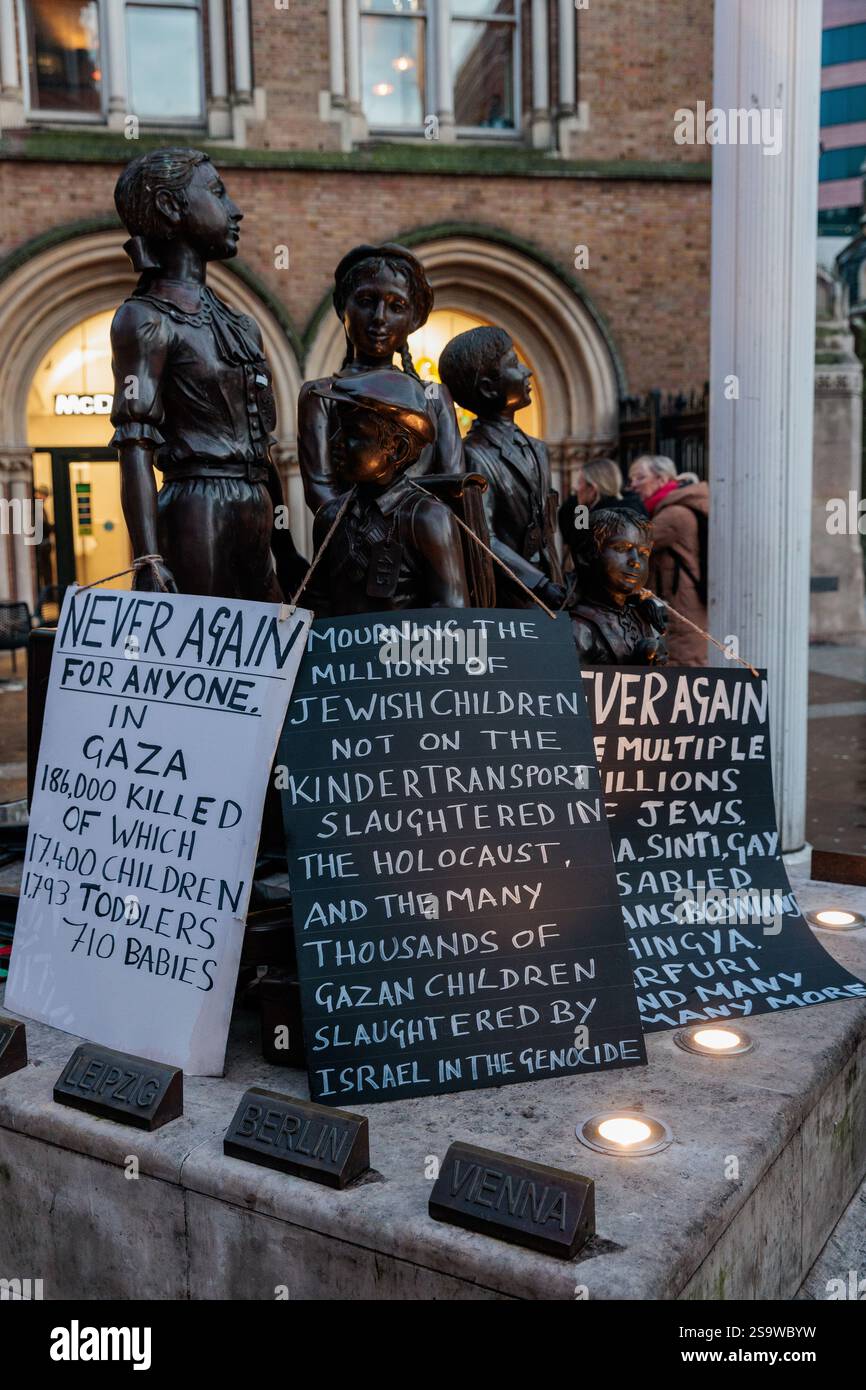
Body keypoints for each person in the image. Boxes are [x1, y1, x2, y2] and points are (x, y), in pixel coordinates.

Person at [110, 147, 305, 600]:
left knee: (274, 649)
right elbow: (134, 441)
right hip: (197, 508)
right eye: (217, 193)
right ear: (170, 207)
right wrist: (147, 558)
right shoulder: (145, 319)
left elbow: (262, 447)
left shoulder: (242, 325)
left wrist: (283, 544)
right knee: (208, 658)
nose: (235, 210)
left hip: (253, 505)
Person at [298, 243, 463, 515]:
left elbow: (450, 483)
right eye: (365, 302)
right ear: (343, 309)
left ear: (414, 319)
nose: (379, 318)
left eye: (396, 306)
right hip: (348, 541)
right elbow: (320, 490)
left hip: (420, 540)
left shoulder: (433, 397)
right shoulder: (321, 395)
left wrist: (417, 529)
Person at [309, 369, 470, 616]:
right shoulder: (329, 517)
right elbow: (317, 607)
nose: (335, 441)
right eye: (339, 428)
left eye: (353, 433)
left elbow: (451, 615)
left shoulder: (428, 519)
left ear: (398, 449)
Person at [437, 325, 565, 611]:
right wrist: (537, 582)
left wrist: (580, 525)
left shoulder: (538, 448)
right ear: (488, 387)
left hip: (552, 590)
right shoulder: (475, 456)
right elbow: (483, 537)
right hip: (513, 598)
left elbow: (553, 521)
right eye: (514, 363)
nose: (527, 371)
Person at [628, 454, 709, 665]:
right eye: (632, 479)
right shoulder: (672, 506)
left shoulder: (673, 513)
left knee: (685, 660)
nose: (633, 485)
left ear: (662, 479)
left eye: (640, 478)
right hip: (684, 596)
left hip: (684, 599)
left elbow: (637, 544)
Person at [570, 509, 667, 666]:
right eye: (621, 548)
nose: (635, 561)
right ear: (586, 555)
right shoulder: (579, 628)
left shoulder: (639, 616)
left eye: (644, 553)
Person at [558, 456, 646, 573]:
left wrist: (581, 506)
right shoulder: (634, 507)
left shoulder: (596, 519)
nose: (575, 487)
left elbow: (578, 546)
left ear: (593, 488)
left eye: (579, 482)